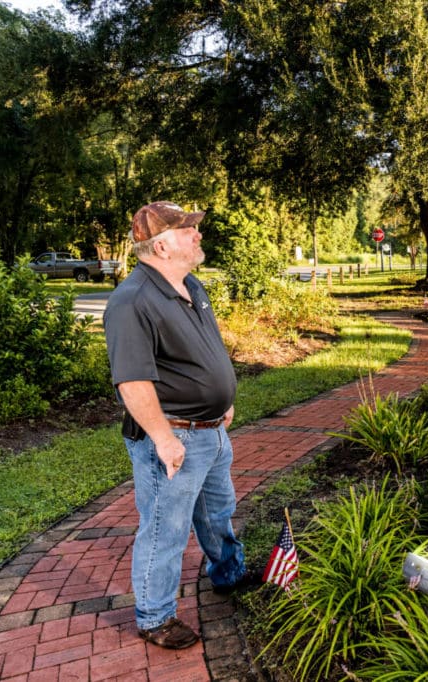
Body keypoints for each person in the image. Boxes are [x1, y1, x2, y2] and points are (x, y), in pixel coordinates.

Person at [103, 201, 259, 650]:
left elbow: (203, 351)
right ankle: (155, 617)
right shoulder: (132, 301)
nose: (198, 236)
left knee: (217, 512)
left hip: (210, 430)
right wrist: (164, 439)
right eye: (189, 230)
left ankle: (226, 573)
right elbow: (132, 383)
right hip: (173, 437)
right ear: (163, 244)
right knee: (165, 530)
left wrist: (221, 400)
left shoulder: (189, 284)